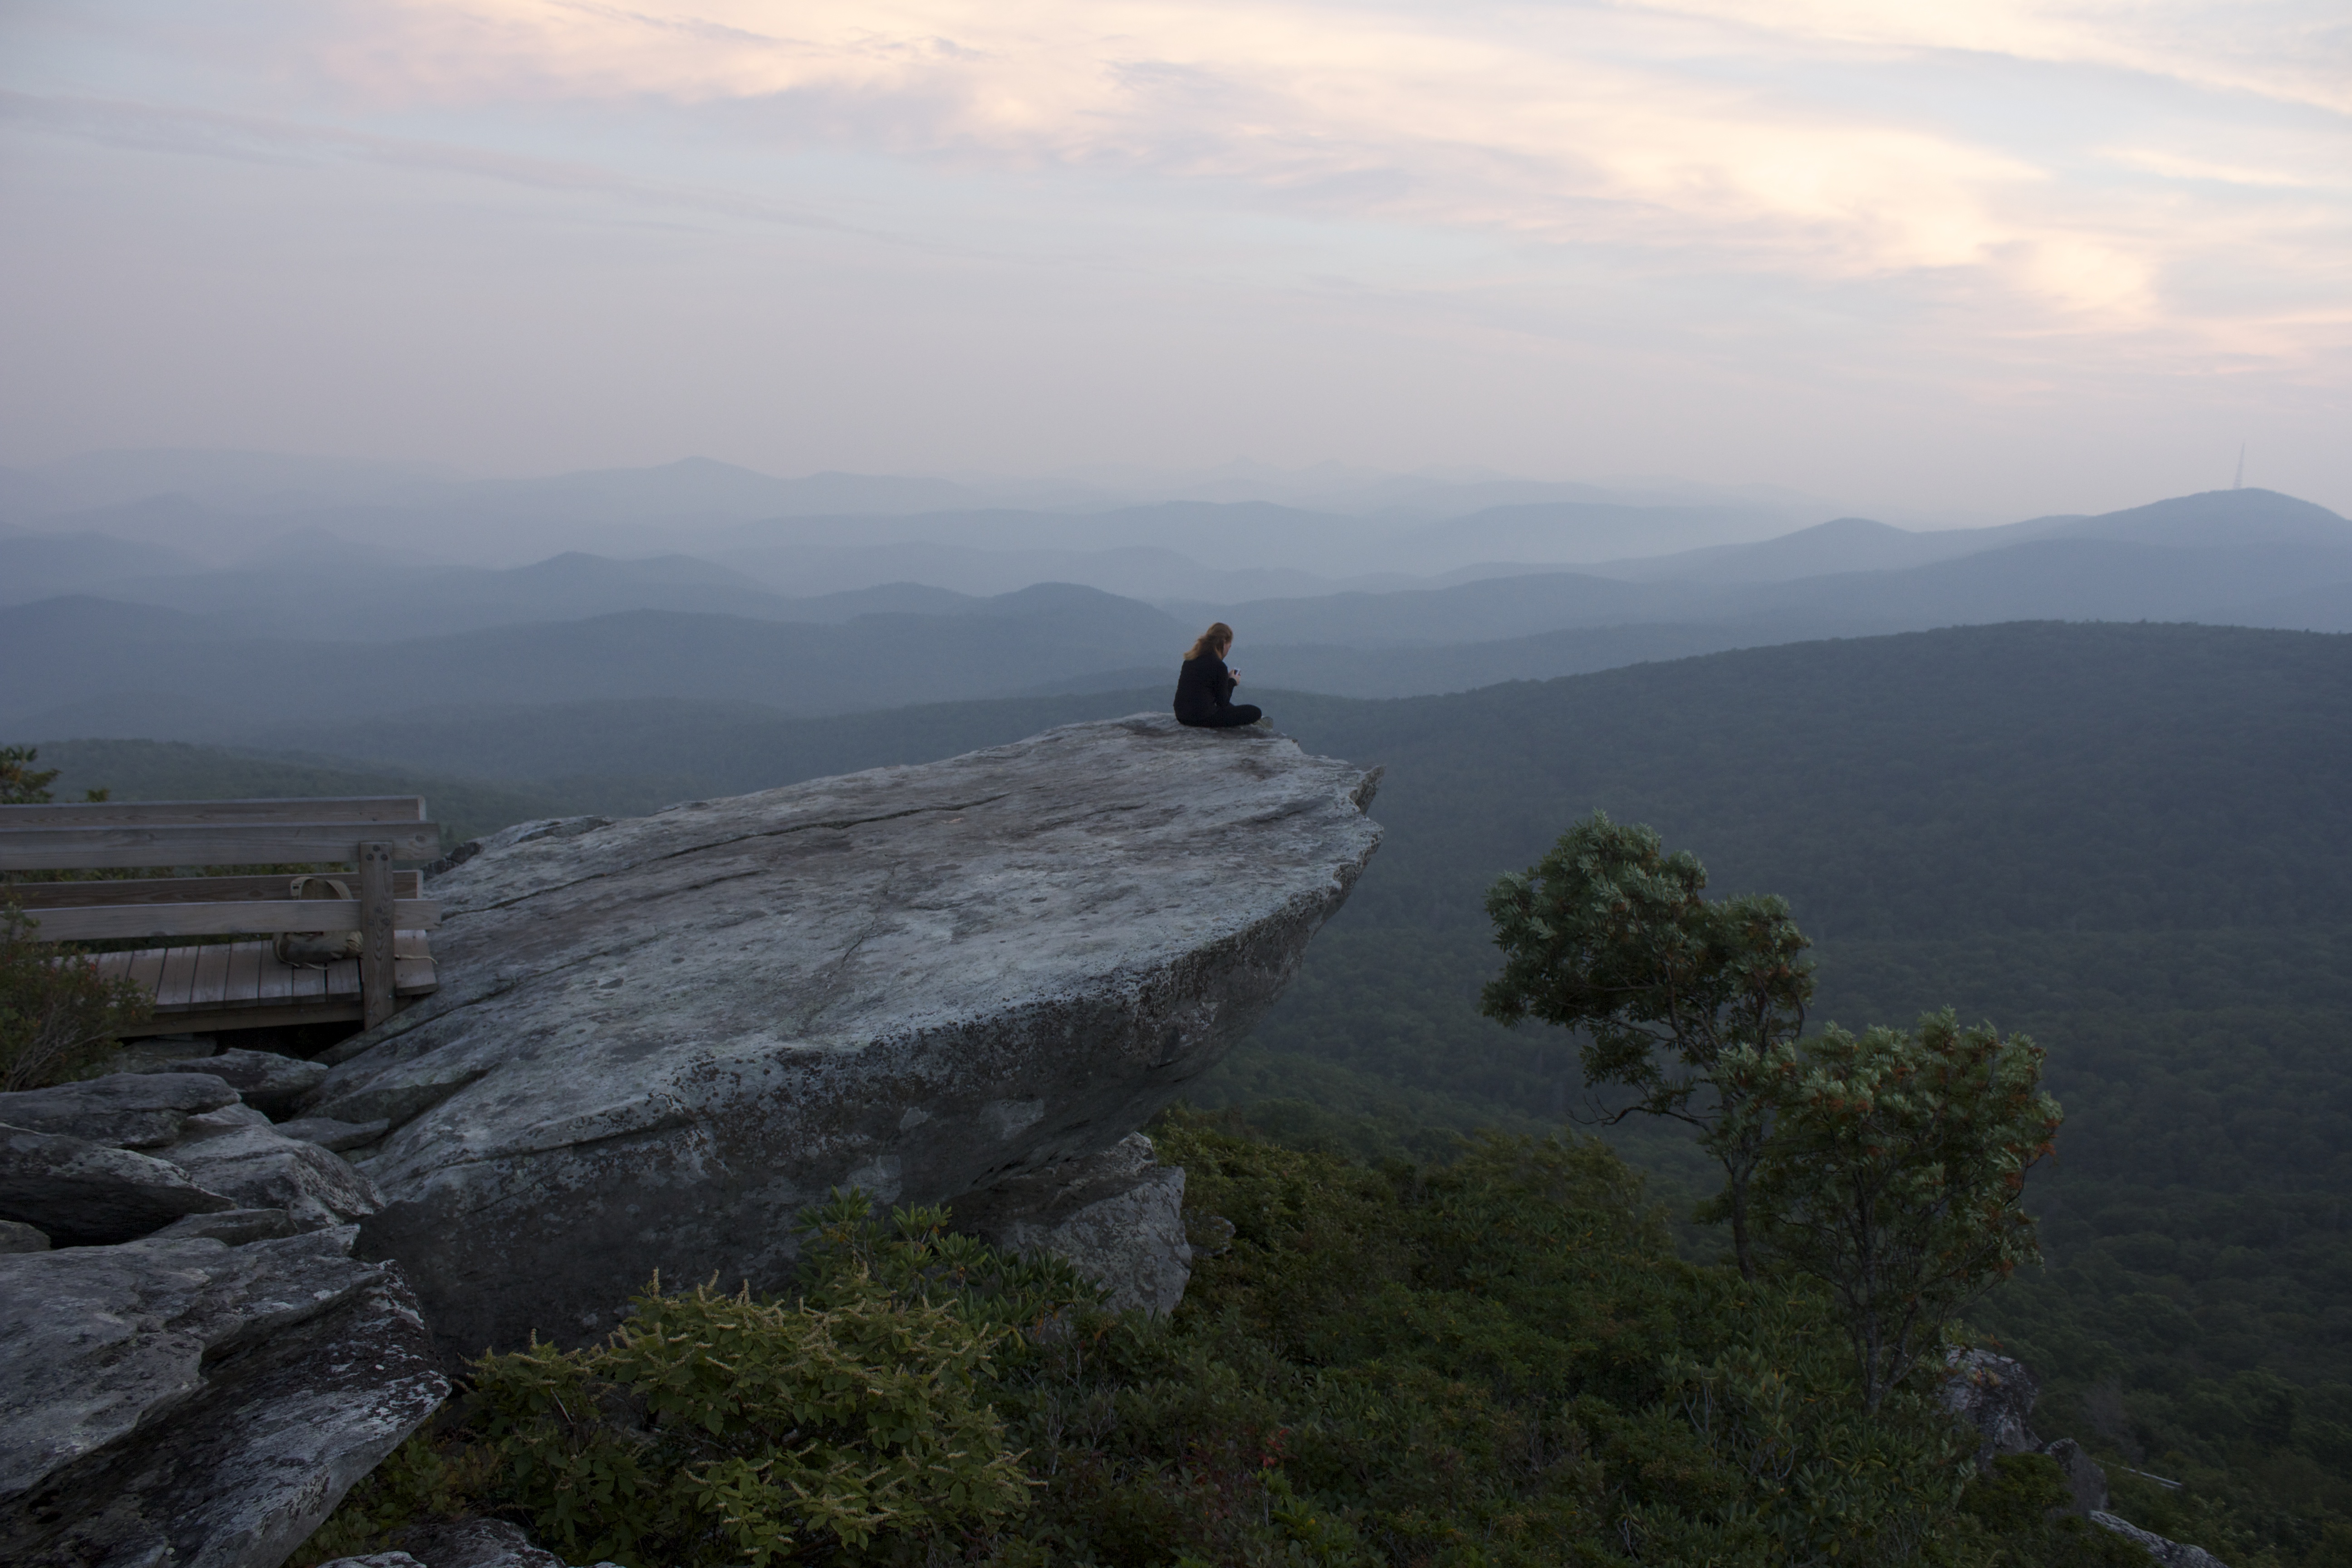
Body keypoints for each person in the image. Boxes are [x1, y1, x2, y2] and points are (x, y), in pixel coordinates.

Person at [1173, 621, 1266, 729]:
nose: (1228, 651)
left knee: (1232, 708)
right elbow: (1223, 703)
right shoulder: (1219, 666)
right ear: (1224, 643)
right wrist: (1232, 681)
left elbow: (1202, 687)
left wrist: (1223, 679)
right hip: (1202, 718)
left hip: (1182, 716)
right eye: (1229, 647)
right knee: (1255, 712)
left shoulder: (1190, 660)